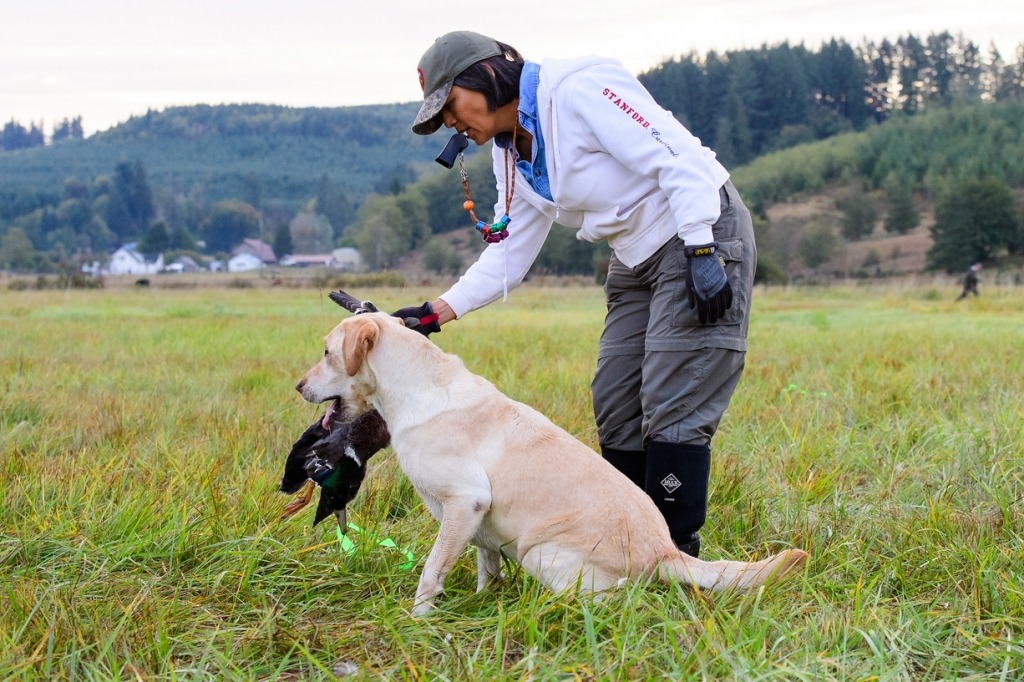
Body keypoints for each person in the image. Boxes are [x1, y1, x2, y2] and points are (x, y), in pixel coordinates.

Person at [391, 30, 755, 558]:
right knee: (615, 400)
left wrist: (701, 249)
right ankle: (623, 544)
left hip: (696, 230)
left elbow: (681, 160)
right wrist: (436, 313)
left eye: (450, 105)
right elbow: (510, 250)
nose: (451, 123)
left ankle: (675, 553)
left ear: (484, 77)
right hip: (632, 256)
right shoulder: (509, 153)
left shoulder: (579, 88)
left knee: (670, 399)